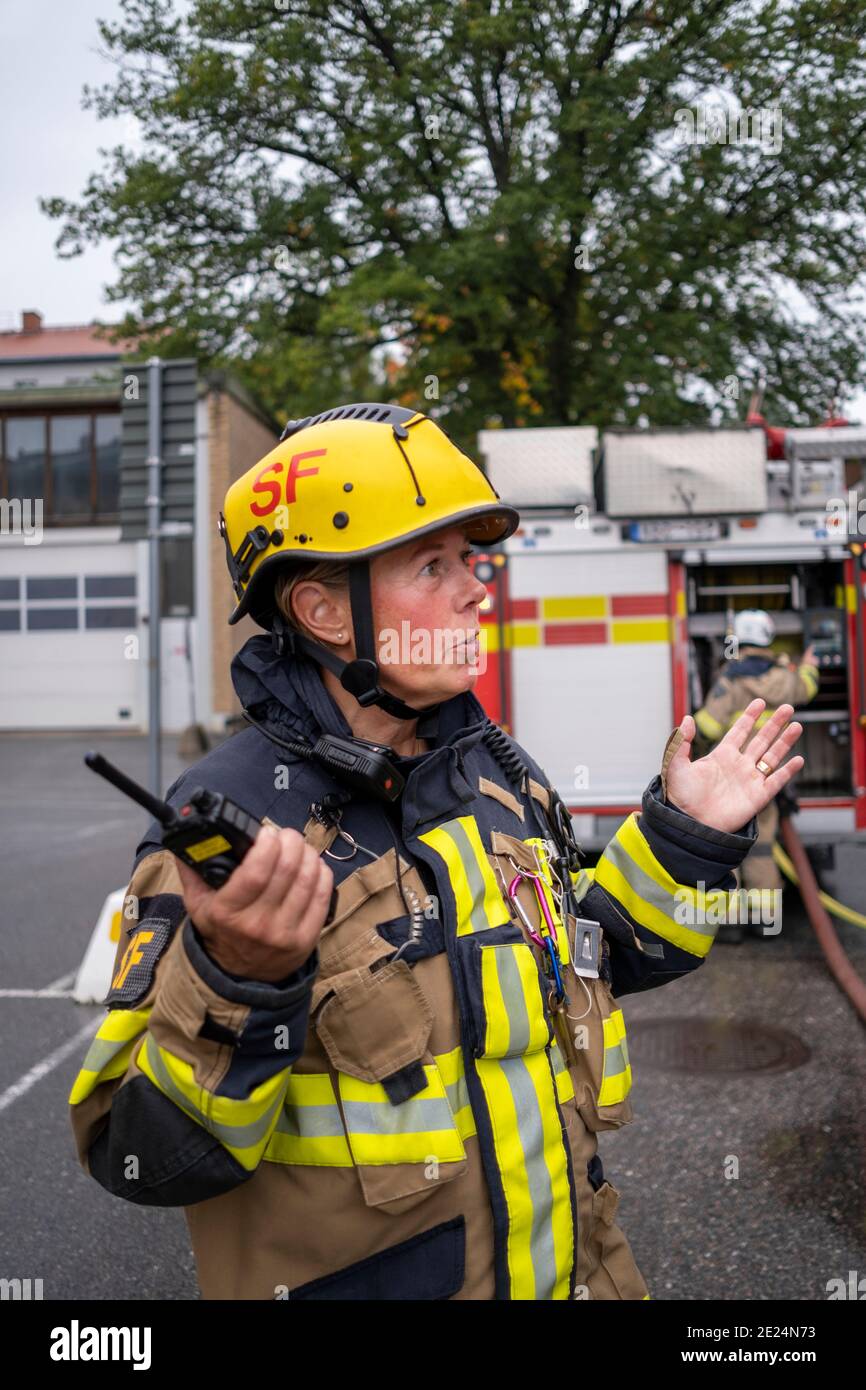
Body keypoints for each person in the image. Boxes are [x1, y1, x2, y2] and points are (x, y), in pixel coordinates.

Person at [69, 404, 805, 1301]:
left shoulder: (493, 781)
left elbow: (584, 962)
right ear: (324, 610)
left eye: (471, 559)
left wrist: (681, 843)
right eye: (434, 564)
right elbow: (142, 1157)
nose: (476, 589)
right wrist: (239, 978)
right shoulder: (235, 834)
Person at [693, 609, 818, 942]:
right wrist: (809, 663)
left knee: (727, 848)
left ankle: (730, 925)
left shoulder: (731, 678)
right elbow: (806, 687)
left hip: (734, 781)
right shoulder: (783, 674)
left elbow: (707, 725)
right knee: (762, 848)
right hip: (769, 780)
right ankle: (765, 922)